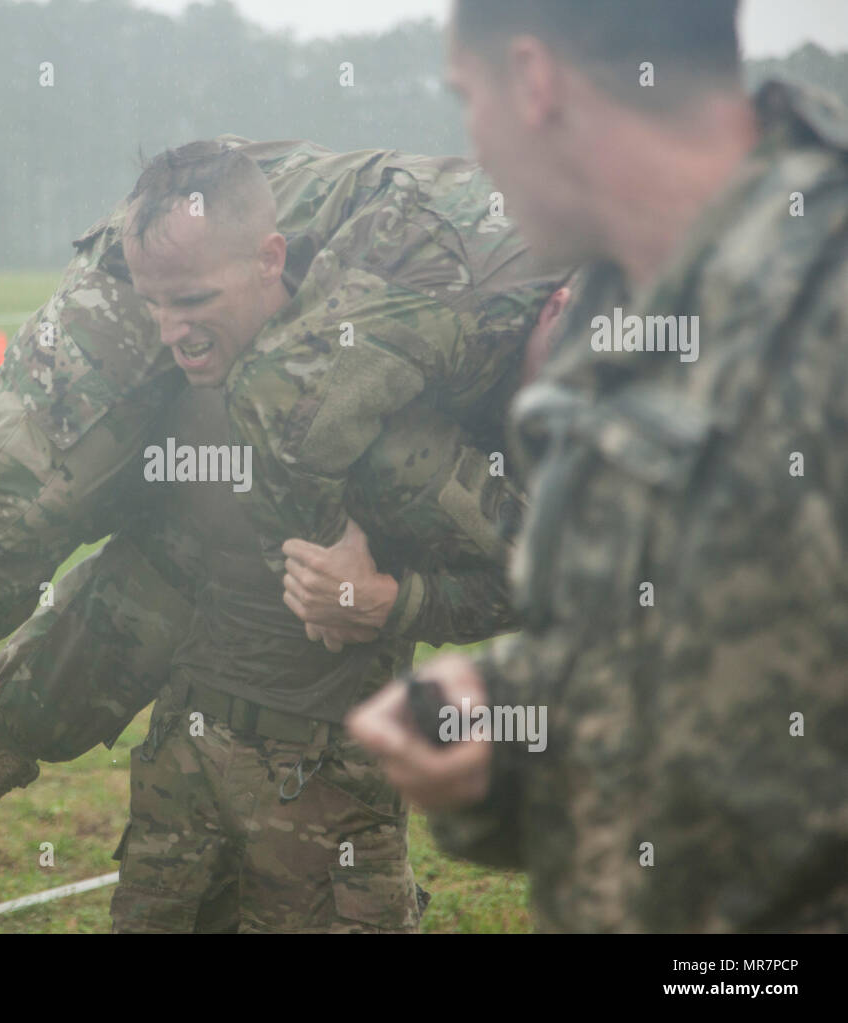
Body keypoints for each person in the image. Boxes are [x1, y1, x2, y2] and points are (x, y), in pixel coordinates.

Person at [0, 142, 568, 932]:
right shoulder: (219, 348)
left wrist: (391, 601)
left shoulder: (460, 400)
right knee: (144, 578)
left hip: (322, 767)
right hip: (194, 752)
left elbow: (538, 576)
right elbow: (91, 446)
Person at [349, 0, 848, 932]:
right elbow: (697, 696)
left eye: (467, 97)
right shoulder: (604, 318)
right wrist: (505, 728)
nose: (474, 148)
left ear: (535, 81)